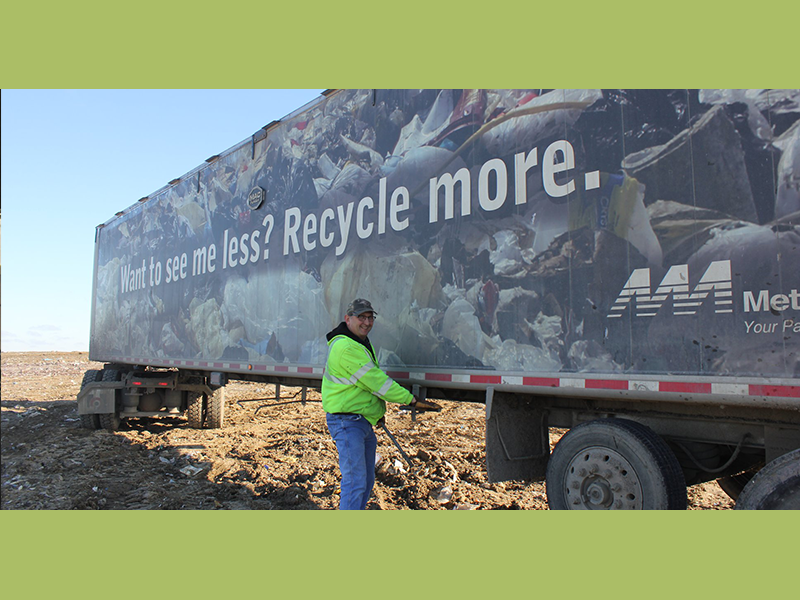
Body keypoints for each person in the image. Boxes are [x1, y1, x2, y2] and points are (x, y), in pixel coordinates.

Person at [322, 298, 439, 510]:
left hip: (360, 421)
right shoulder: (346, 347)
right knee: (355, 481)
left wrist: (375, 412)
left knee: (365, 481)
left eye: (370, 318)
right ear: (348, 319)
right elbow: (376, 382)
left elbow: (361, 387)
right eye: (361, 317)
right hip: (348, 423)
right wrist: (411, 400)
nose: (367, 322)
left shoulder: (357, 342)